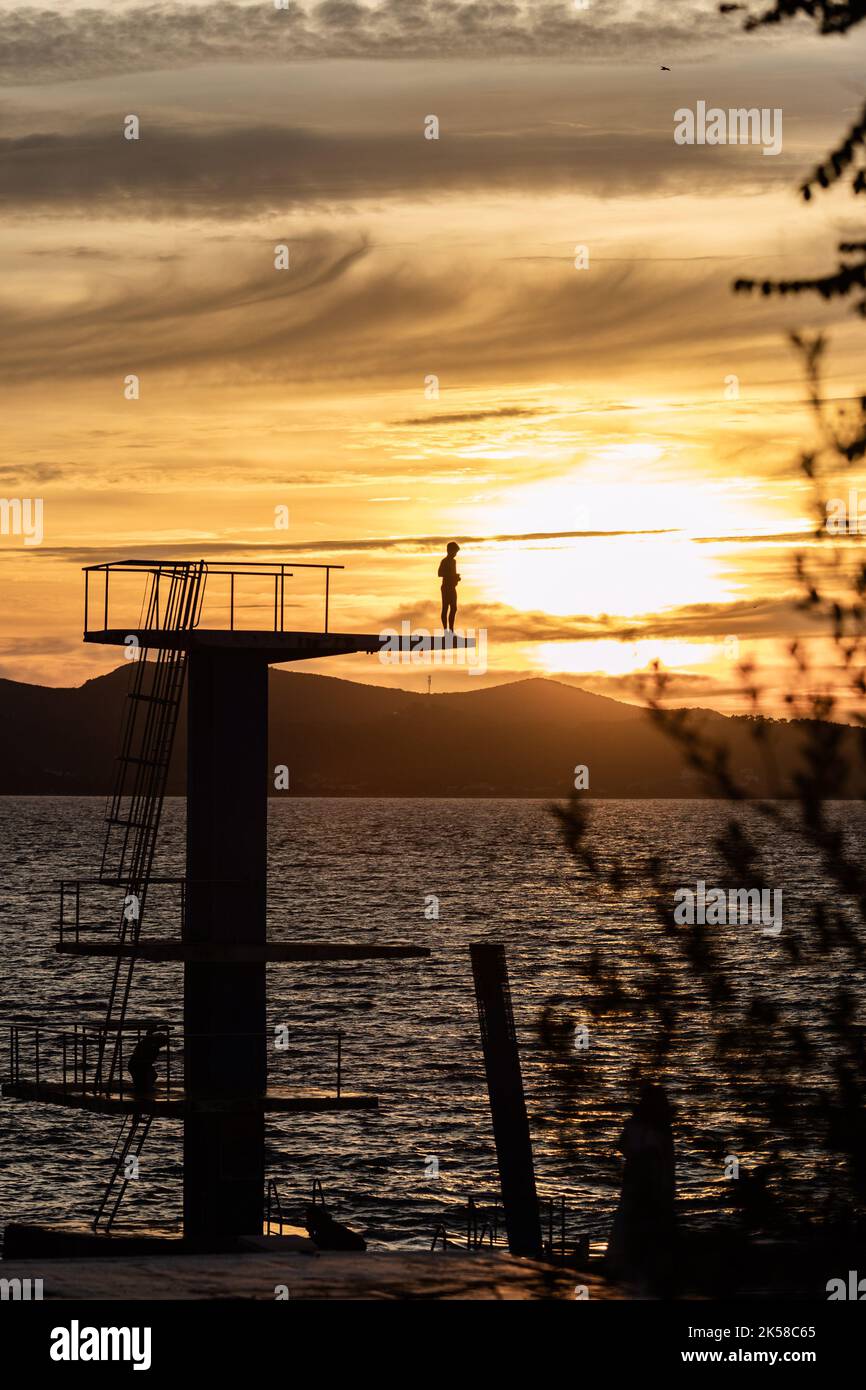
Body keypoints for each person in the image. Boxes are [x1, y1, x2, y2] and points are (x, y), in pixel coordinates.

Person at [605, 1083, 677, 1293]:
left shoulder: (648, 1128)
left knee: (635, 1229)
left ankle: (631, 1272)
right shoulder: (656, 1129)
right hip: (644, 1187)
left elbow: (625, 1147)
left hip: (645, 1187)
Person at [127, 1023, 168, 1096]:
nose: (162, 1046)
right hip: (137, 1064)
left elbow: (149, 1032)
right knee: (143, 1079)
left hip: (138, 1064)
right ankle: (142, 1091)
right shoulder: (149, 1043)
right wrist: (158, 1028)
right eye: (162, 1044)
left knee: (147, 1078)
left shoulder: (151, 1044)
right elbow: (149, 1032)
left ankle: (142, 1090)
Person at [437, 542, 461, 632]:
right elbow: (439, 573)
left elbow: (453, 574)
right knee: (445, 608)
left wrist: (456, 577)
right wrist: (450, 575)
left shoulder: (454, 561)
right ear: (449, 551)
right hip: (446, 587)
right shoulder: (444, 561)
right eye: (455, 552)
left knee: (454, 608)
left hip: (452, 587)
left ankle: (451, 630)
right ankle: (445, 630)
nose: (455, 554)